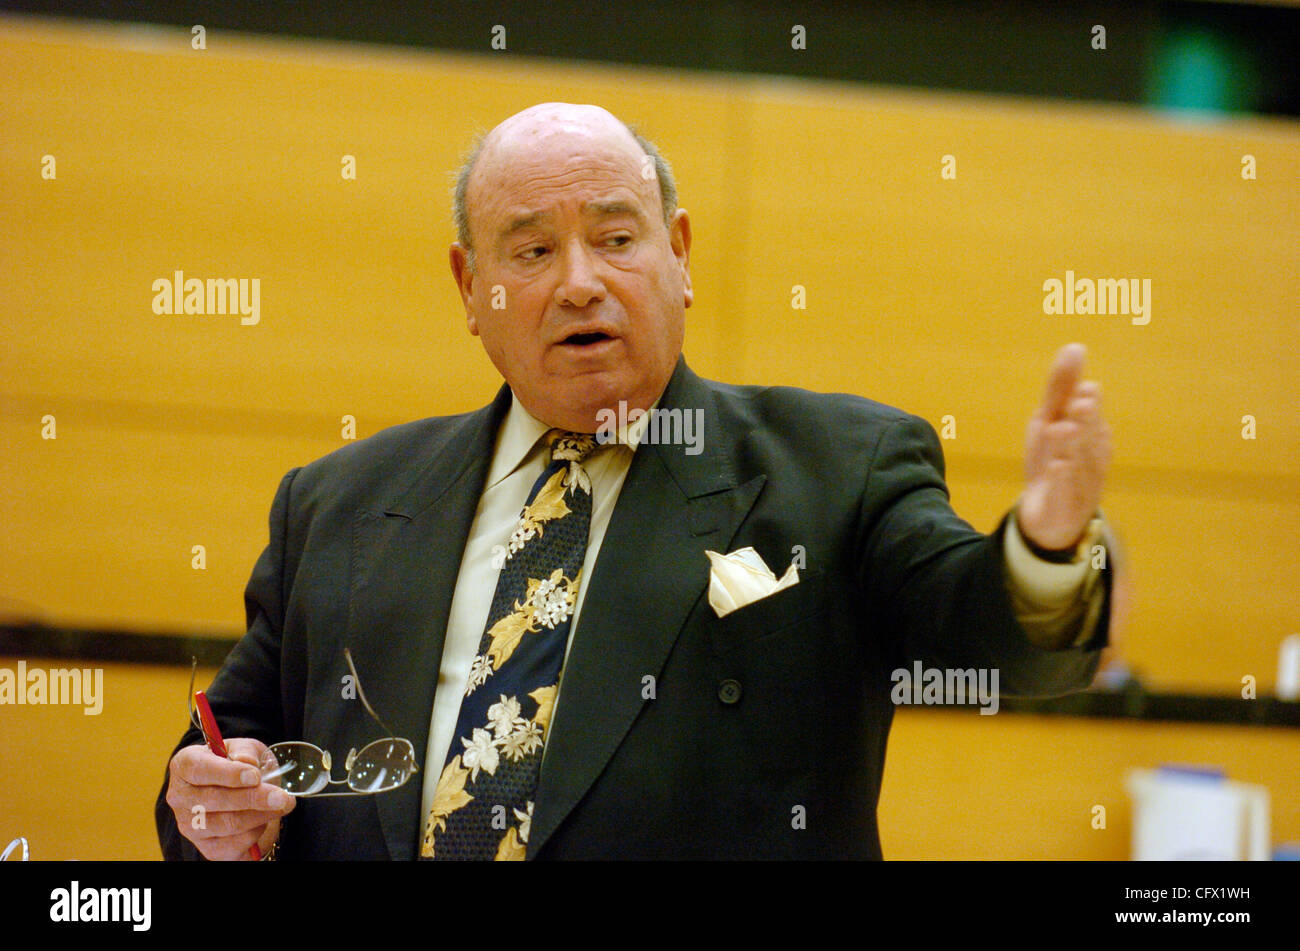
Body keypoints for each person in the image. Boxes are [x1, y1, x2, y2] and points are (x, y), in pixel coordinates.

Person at [158, 102, 1114, 860]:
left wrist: (1042, 549)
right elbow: (227, 754)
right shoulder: (339, 504)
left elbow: (985, 638)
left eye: (617, 238)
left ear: (680, 255)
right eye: (532, 251)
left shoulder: (836, 468)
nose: (580, 282)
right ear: (469, 287)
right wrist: (215, 810)